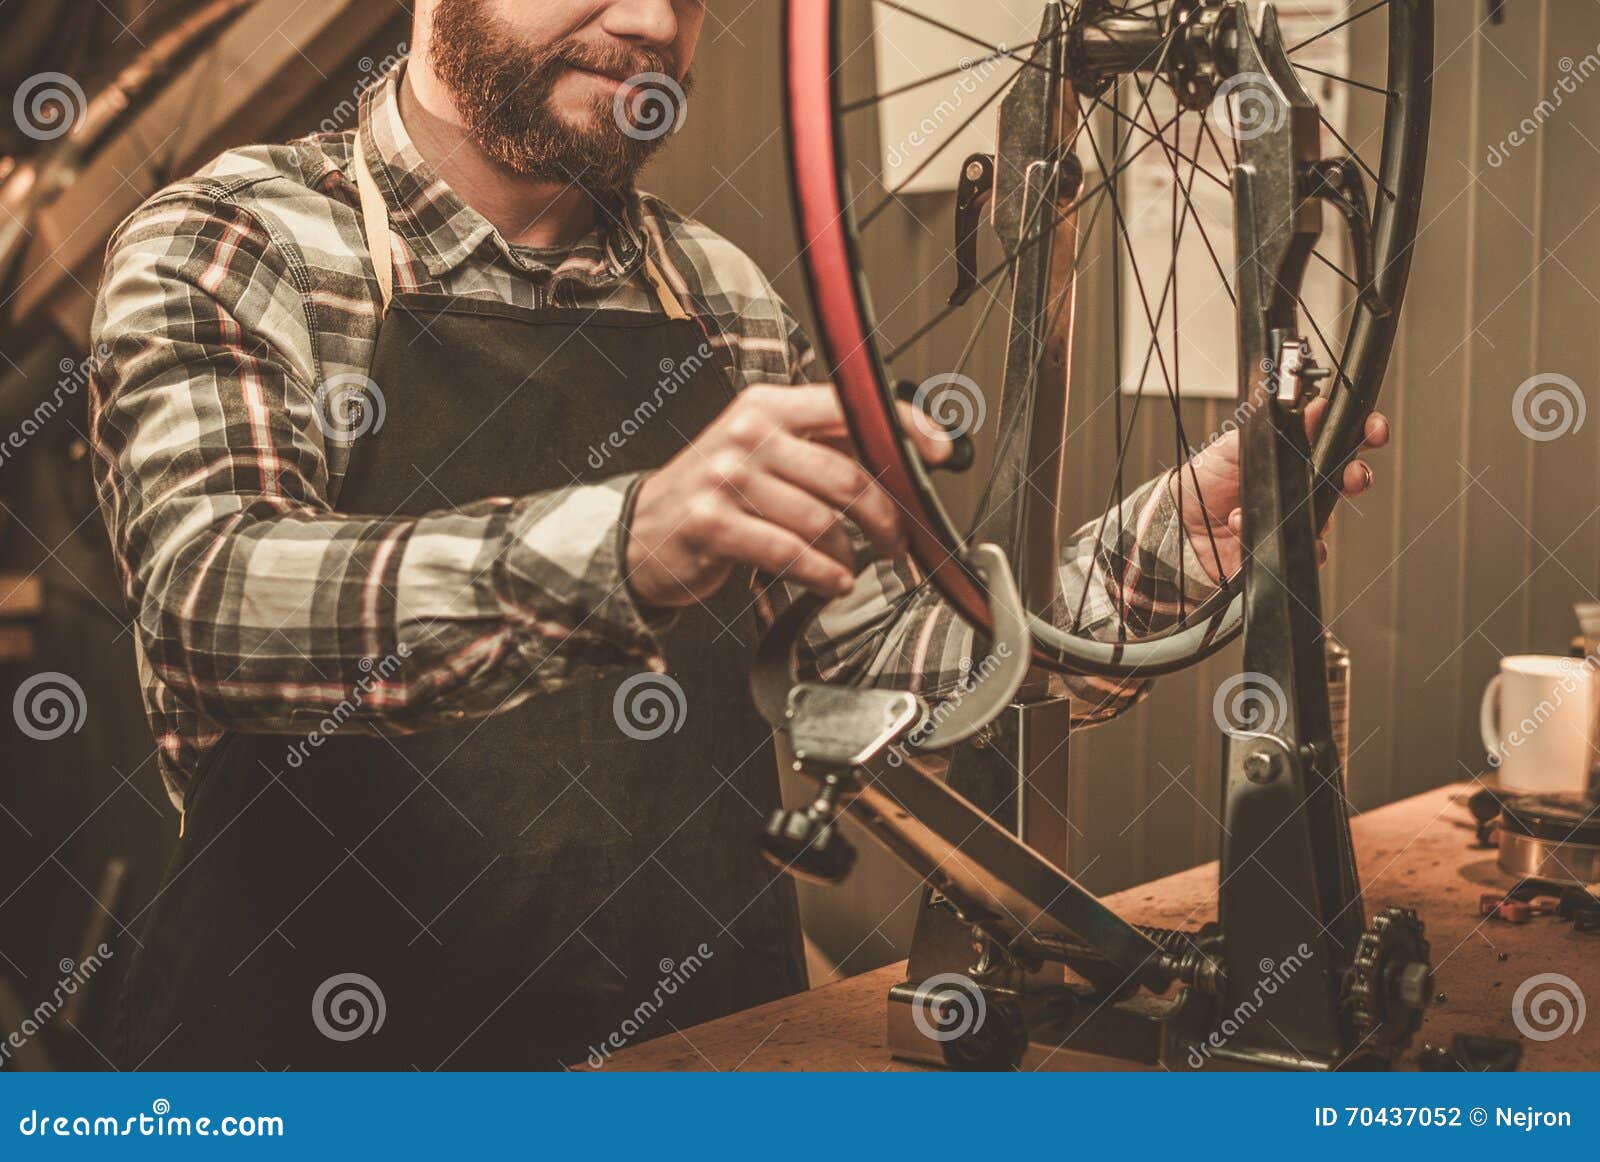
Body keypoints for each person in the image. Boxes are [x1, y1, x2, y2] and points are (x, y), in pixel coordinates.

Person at [88, 0, 1388, 1069]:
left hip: (703, 1057)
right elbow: (214, 609)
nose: (653, 23)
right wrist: (626, 543)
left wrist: (1165, 554)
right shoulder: (231, 238)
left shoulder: (716, 297)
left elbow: (877, 658)